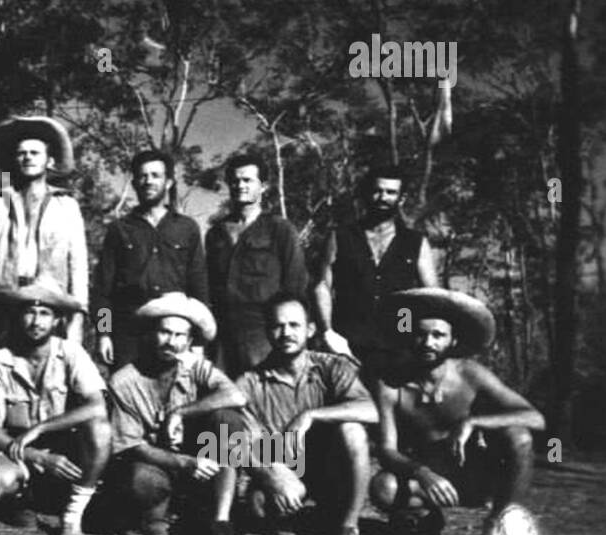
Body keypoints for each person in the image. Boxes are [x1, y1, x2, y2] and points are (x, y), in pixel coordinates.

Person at [370, 288, 544, 535]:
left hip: (475, 474)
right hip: (428, 476)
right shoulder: (391, 384)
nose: (428, 342)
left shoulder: (471, 374)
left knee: (519, 436)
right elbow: (386, 449)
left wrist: (473, 422)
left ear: (453, 342)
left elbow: (535, 418)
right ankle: (423, 522)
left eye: (438, 335)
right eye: (421, 334)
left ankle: (499, 527)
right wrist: (423, 473)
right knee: (384, 487)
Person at [0, 277, 111, 535]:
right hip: (17, 451)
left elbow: (96, 406)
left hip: (64, 447)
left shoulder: (71, 353)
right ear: (18, 316)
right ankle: (20, 503)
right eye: (29, 312)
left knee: (101, 428)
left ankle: (72, 516)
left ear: (57, 320)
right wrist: (36, 456)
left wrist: (41, 428)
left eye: (45, 313)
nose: (36, 321)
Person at [102, 293, 247, 535]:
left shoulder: (196, 368)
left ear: (190, 341)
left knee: (228, 419)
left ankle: (221, 520)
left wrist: (180, 413)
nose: (172, 342)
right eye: (165, 333)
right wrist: (184, 462)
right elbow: (131, 445)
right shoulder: (124, 381)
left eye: (181, 336)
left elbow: (236, 395)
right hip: (158, 462)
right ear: (149, 335)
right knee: (139, 481)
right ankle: (160, 510)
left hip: (200, 460)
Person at [236, 292, 378, 535]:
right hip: (287, 472)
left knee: (353, 430)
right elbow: (229, 438)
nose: (286, 333)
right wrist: (270, 474)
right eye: (277, 326)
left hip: (330, 472)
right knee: (261, 504)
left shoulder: (333, 366)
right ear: (267, 331)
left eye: (294, 325)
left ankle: (348, 528)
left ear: (310, 329)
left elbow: (372, 411)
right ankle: (283, 518)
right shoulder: (251, 381)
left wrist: (311, 415)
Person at [0, 116, 88, 350]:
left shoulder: (67, 206)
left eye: (35, 152)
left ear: (50, 161)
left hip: (48, 309)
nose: (27, 157)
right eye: (22, 153)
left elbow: (78, 265)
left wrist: (77, 319)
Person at [314, 164, 438, 381]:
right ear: (366, 194)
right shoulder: (340, 236)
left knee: (398, 407)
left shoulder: (415, 242)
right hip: (349, 340)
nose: (383, 197)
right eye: (377, 190)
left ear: (401, 198)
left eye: (391, 192)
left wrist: (422, 337)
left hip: (401, 336)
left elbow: (432, 295)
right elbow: (322, 286)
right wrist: (327, 332)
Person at [94, 148, 209, 370]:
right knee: (125, 395)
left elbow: (199, 287)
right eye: (143, 176)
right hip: (128, 332)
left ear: (168, 183)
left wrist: (199, 341)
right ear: (135, 183)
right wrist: (103, 333)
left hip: (174, 332)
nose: (148, 181)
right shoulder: (119, 229)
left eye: (156, 175)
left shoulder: (187, 228)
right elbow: (102, 290)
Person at [205, 153, 308, 377]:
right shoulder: (216, 233)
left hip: (263, 333)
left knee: (264, 395)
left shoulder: (279, 229)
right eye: (235, 181)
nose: (240, 186)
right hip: (222, 333)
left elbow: (296, 284)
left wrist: (289, 332)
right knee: (221, 399)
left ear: (264, 186)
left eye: (247, 180)